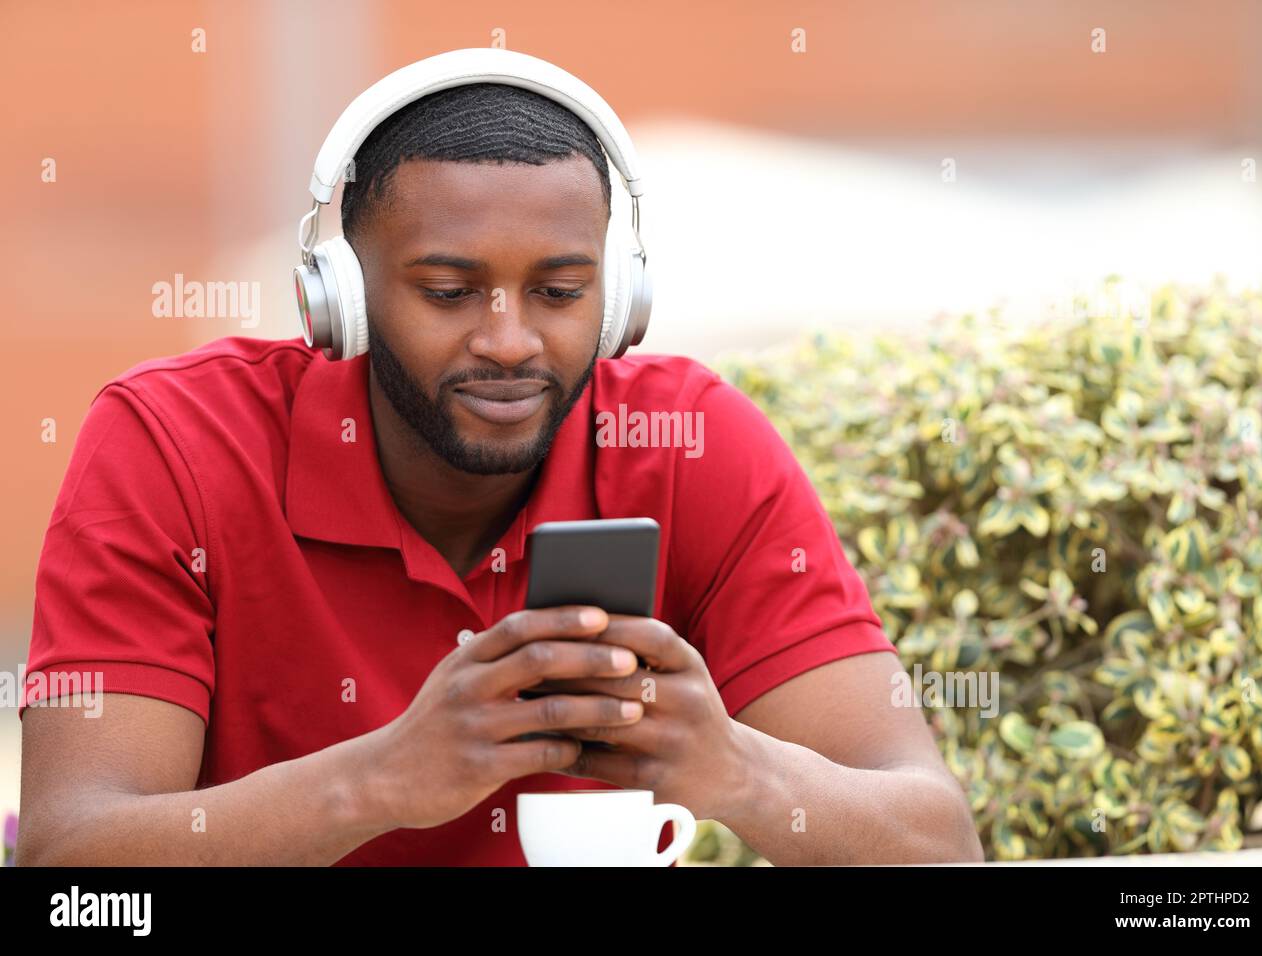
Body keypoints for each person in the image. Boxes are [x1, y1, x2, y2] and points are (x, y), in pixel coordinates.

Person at [17, 53, 982, 866]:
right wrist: (382, 778)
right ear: (337, 297)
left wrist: (734, 768)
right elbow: (70, 859)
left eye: (560, 292)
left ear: (618, 304)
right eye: (448, 292)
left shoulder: (690, 441)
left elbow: (938, 845)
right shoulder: (173, 444)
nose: (511, 341)